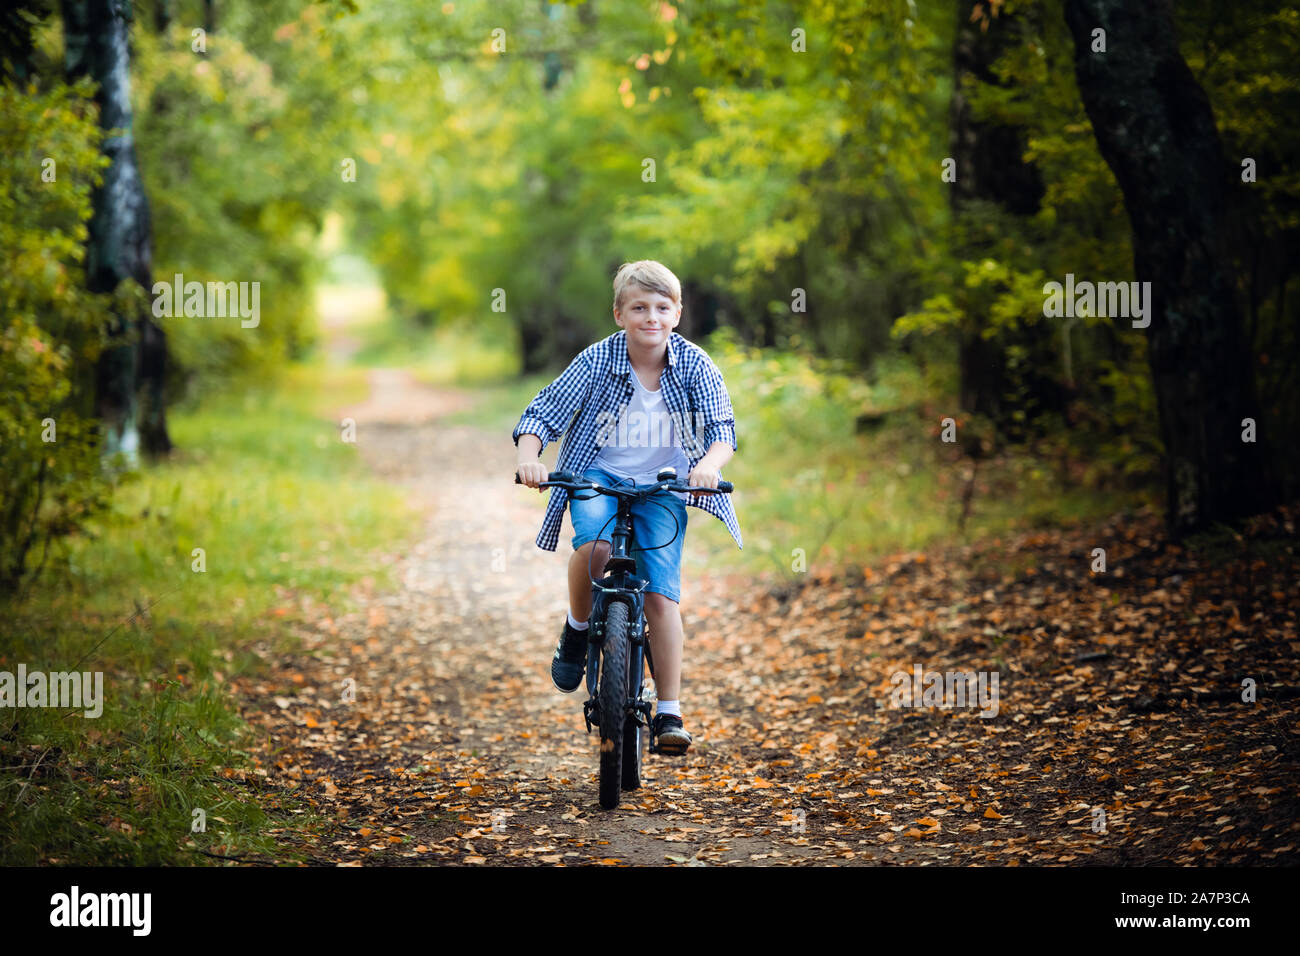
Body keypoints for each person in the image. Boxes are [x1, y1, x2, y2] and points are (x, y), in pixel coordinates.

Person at [513, 260, 742, 755]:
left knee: (660, 594)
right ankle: (576, 631)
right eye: (639, 307)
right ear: (619, 313)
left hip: (665, 485)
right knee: (594, 548)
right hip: (598, 473)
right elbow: (544, 412)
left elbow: (723, 431)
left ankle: (669, 710)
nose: (651, 317)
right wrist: (529, 456)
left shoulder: (696, 365)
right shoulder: (597, 361)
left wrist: (708, 465)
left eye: (662, 307)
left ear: (677, 313)